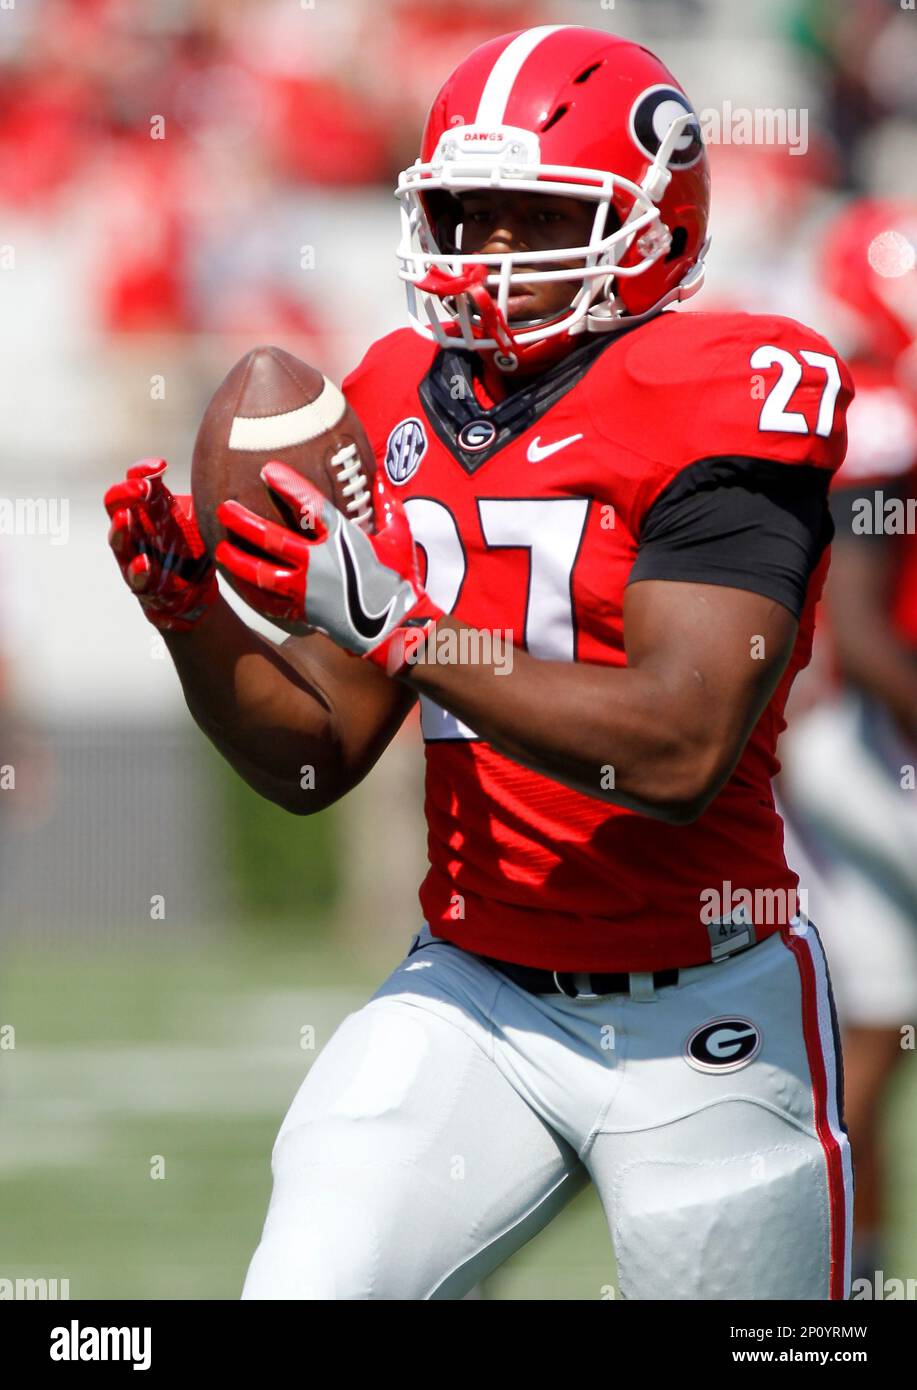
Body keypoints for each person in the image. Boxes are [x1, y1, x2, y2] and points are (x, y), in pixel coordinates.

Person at [104, 26, 854, 1299]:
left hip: (704, 1011)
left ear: (652, 220)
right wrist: (195, 618)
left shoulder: (725, 385)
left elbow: (674, 746)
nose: (485, 256)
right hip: (473, 989)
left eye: (528, 215)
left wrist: (397, 619)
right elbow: (317, 758)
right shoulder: (397, 390)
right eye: (462, 214)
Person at [778, 198, 917, 1292]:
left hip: (856, 747)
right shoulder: (872, 412)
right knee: (866, 1027)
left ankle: (846, 1284)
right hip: (867, 750)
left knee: (868, 1030)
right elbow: (862, 627)